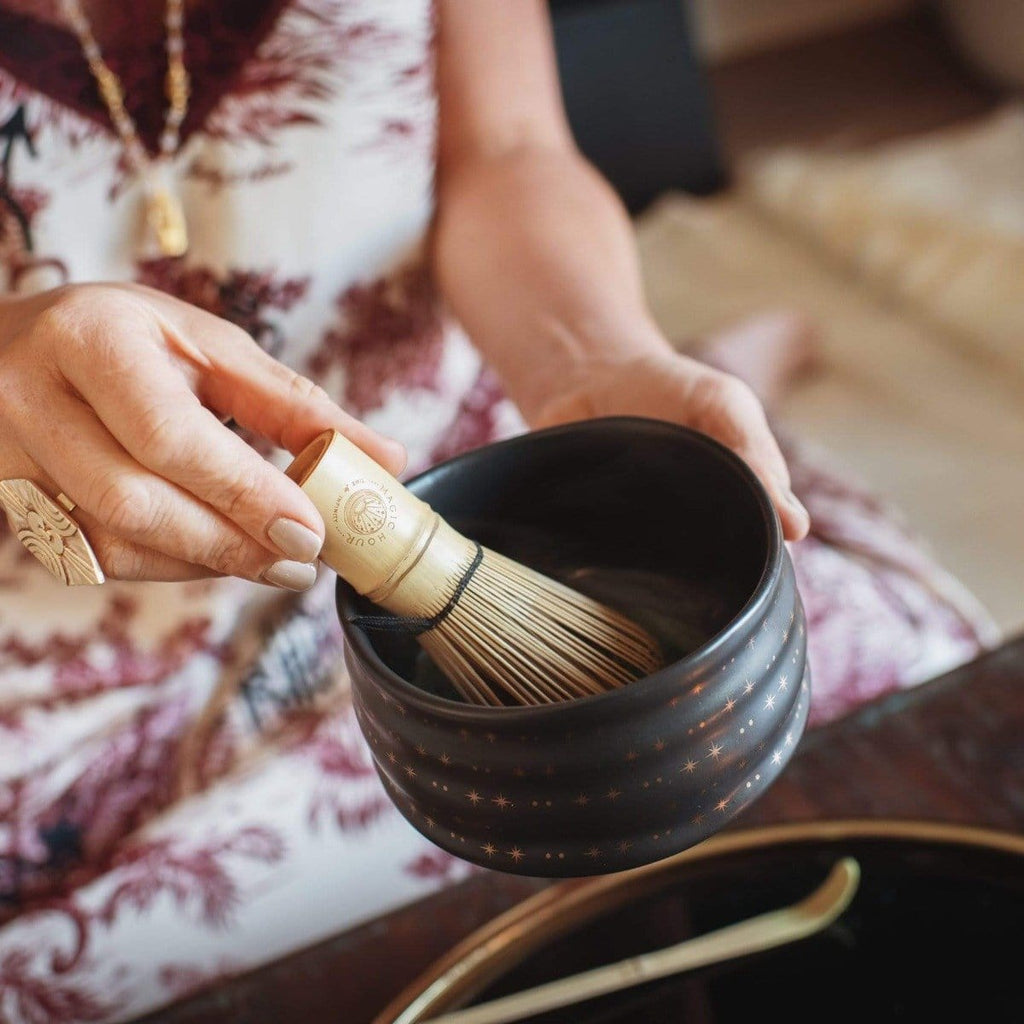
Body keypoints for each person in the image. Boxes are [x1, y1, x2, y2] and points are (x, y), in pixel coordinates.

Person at [0, 2, 995, 1020]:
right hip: (66, 651)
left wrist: (591, 357)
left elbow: (510, 150)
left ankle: (707, 361)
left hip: (462, 500)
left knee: (903, 699)